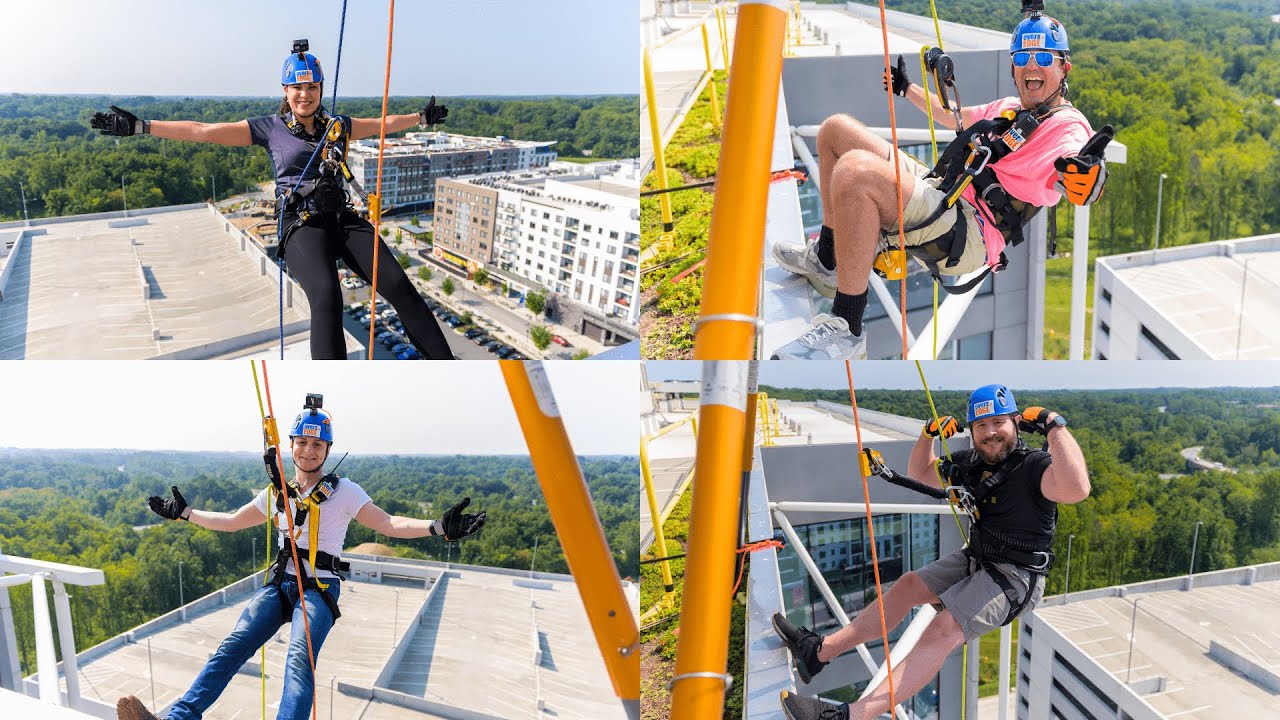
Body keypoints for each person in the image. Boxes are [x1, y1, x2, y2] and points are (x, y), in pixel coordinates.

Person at [115, 394, 488, 720]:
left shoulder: (345, 492)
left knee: (297, 662)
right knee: (231, 647)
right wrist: (186, 513)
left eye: (317, 445)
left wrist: (437, 527)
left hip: (320, 588)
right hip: (281, 584)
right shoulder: (277, 493)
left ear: (327, 451)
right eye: (302, 442)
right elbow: (231, 521)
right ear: (291, 445)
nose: (308, 451)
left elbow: (388, 523)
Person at [770, 11, 1111, 360]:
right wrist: (907, 88)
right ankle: (827, 261)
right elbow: (951, 117)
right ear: (1013, 67)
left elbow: (1075, 160)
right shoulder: (1008, 108)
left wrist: (1086, 177)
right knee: (835, 131)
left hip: (973, 229)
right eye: (1022, 58)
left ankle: (847, 328)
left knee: (854, 173)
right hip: (946, 191)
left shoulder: (1066, 126)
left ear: (1064, 67)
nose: (1031, 67)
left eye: (1043, 58)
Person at [90, 40, 453, 360]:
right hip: (301, 225)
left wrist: (421, 118)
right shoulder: (269, 129)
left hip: (342, 217)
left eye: (311, 86)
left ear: (320, 88)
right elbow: (204, 131)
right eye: (297, 87)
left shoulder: (338, 126)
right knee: (327, 298)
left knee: (400, 286)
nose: (304, 94)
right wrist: (142, 127)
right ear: (285, 89)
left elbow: (383, 123)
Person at [774, 384, 1090, 720]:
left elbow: (1077, 488)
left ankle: (850, 716)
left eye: (998, 422)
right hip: (979, 558)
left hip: (1016, 577)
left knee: (943, 629)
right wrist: (927, 435)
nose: (990, 433)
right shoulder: (972, 462)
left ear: (1016, 422)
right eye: (981, 426)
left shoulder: (1034, 466)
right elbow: (920, 474)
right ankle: (819, 652)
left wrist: (1054, 425)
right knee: (909, 584)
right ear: (972, 432)